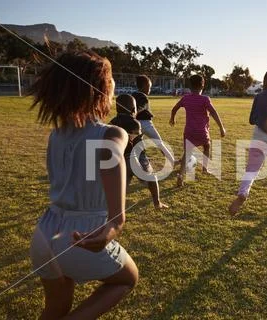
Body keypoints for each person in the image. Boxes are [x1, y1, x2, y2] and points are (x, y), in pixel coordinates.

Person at [29, 51, 138, 320]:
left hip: (44, 233)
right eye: (110, 79)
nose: (113, 85)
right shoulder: (112, 133)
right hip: (82, 234)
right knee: (127, 278)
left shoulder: (57, 134)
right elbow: (108, 153)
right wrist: (116, 223)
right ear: (99, 89)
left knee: (55, 308)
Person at [229, 65, 267, 215]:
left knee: (251, 169)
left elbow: (252, 120)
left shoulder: (259, 96)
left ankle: (243, 193)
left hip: (258, 137)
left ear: (266, 80)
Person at [110, 94, 169, 210]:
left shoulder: (113, 122)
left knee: (121, 187)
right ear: (133, 110)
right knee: (152, 179)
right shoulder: (135, 123)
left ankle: (115, 209)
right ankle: (157, 203)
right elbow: (135, 141)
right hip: (137, 157)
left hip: (120, 159)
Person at [169, 74, 226, 186]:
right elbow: (214, 112)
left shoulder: (185, 98)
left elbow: (174, 108)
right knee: (207, 146)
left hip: (189, 131)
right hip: (202, 131)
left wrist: (172, 118)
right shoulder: (205, 99)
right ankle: (205, 169)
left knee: (187, 153)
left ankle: (180, 176)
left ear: (190, 86)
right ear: (203, 85)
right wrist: (221, 127)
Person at [132, 75, 177, 166]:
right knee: (159, 143)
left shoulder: (133, 95)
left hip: (135, 124)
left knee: (135, 144)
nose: (150, 89)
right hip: (146, 124)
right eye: (149, 87)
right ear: (145, 86)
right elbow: (141, 107)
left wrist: (132, 115)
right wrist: (135, 113)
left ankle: (138, 161)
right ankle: (172, 161)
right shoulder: (143, 96)